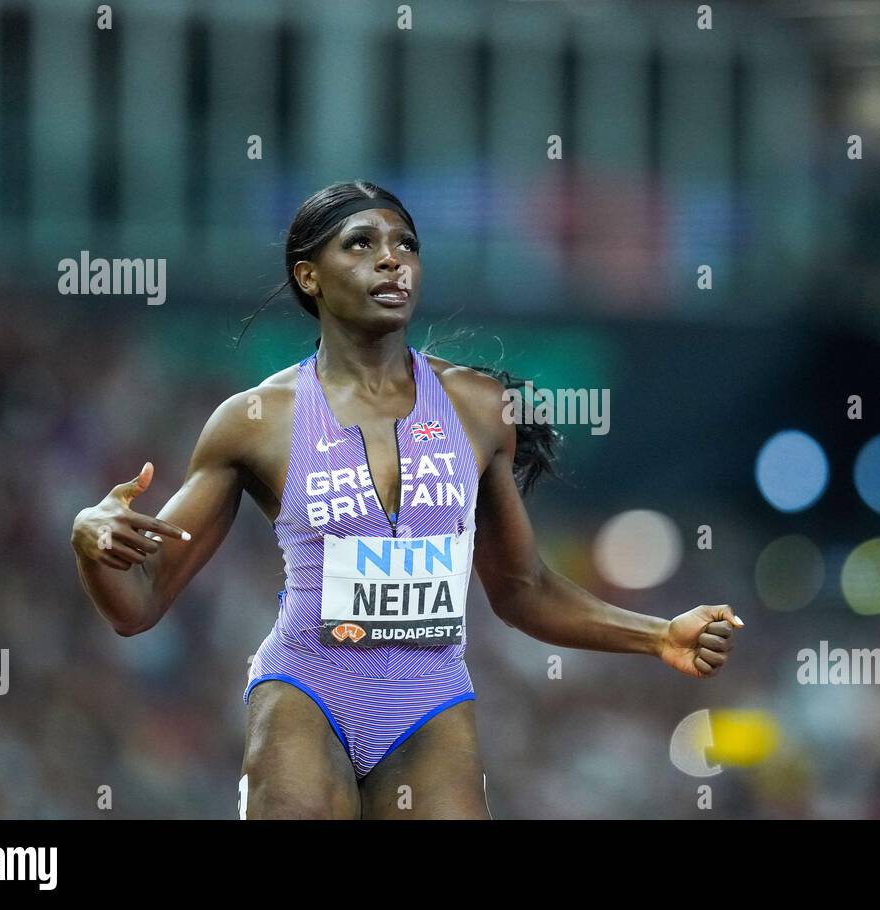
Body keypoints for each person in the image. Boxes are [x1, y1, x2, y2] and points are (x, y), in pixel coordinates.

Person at [70, 180, 744, 819]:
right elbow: (140, 602)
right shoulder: (257, 421)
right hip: (307, 688)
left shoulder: (479, 409)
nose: (392, 259)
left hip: (428, 702)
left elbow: (523, 590)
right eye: (361, 243)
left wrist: (658, 636)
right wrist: (90, 537)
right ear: (310, 276)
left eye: (407, 244)